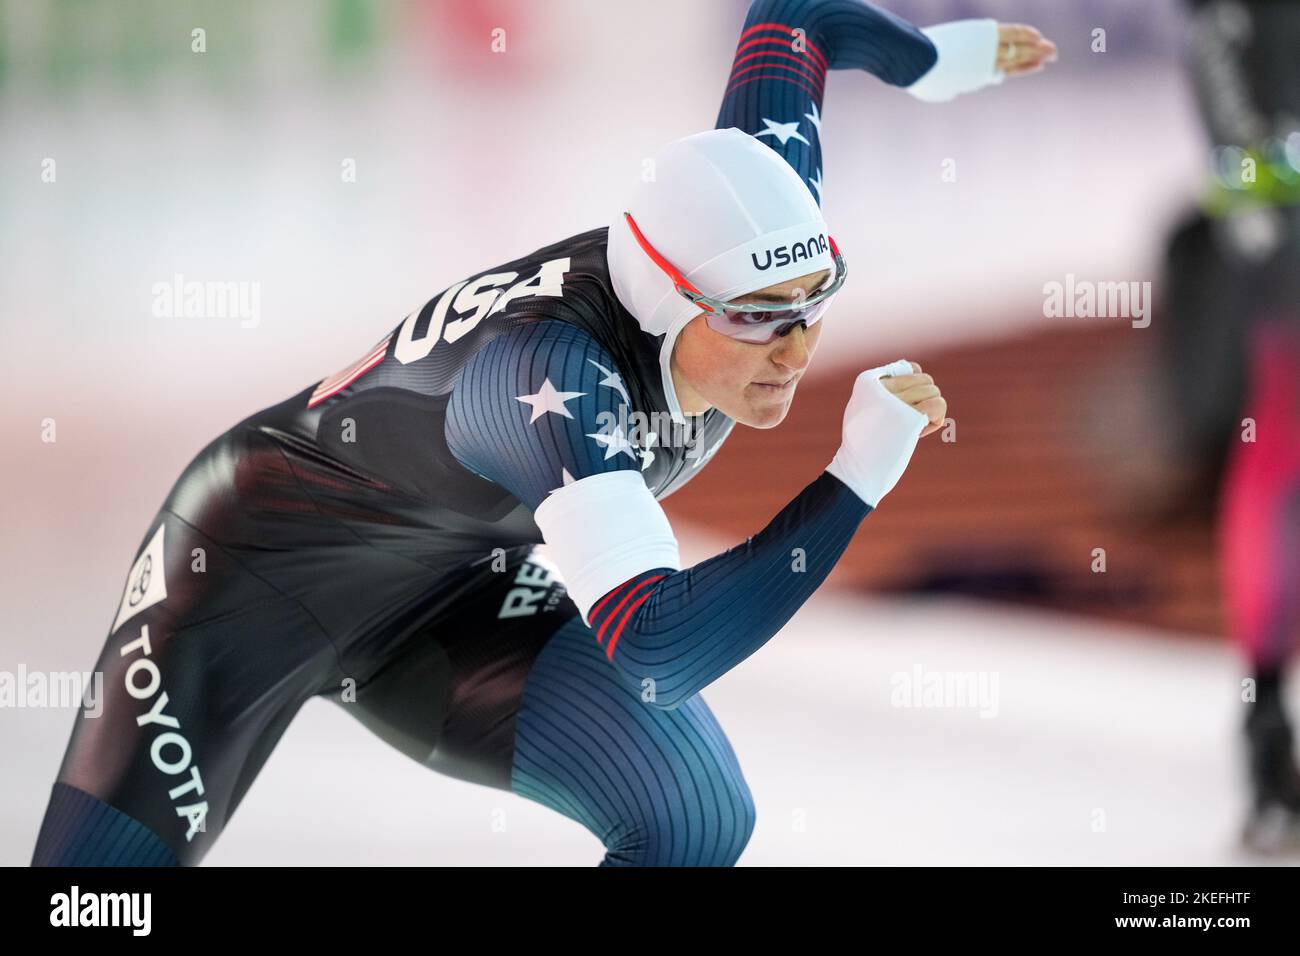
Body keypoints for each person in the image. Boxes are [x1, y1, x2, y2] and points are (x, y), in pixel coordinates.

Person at [32, 0, 1054, 866]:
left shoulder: (754, 206)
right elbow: (658, 649)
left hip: (454, 582)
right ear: (665, 299)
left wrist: (935, 65)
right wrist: (855, 477)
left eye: (812, 303)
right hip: (247, 577)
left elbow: (794, 17)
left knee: (691, 816)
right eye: (752, 316)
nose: (791, 347)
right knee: (92, 908)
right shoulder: (546, 377)